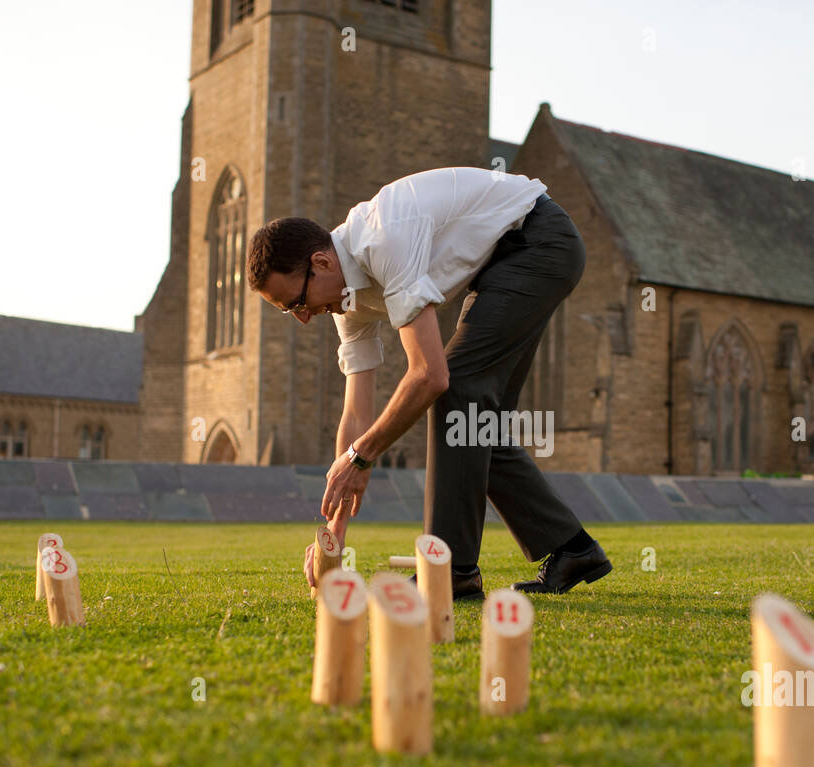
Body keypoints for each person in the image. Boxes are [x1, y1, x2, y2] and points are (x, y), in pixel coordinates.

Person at [246, 166, 612, 599]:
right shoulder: (346, 302)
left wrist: (361, 458)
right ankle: (572, 549)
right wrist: (334, 529)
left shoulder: (383, 240)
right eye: (291, 312)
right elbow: (356, 413)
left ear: (321, 263)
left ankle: (451, 570)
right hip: (502, 265)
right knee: (476, 427)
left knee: (458, 391)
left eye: (298, 303)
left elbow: (429, 375)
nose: (304, 318)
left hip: (539, 242)